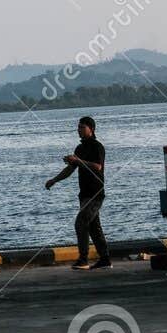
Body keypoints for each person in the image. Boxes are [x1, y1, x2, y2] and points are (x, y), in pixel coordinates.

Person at [45, 115, 110, 268]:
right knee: (94, 227)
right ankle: (105, 259)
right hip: (84, 194)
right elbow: (70, 169)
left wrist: (78, 161)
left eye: (82, 127)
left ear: (91, 129)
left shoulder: (97, 146)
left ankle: (83, 259)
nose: (78, 130)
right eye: (78, 127)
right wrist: (54, 180)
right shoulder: (79, 148)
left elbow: (98, 166)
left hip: (95, 193)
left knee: (80, 223)